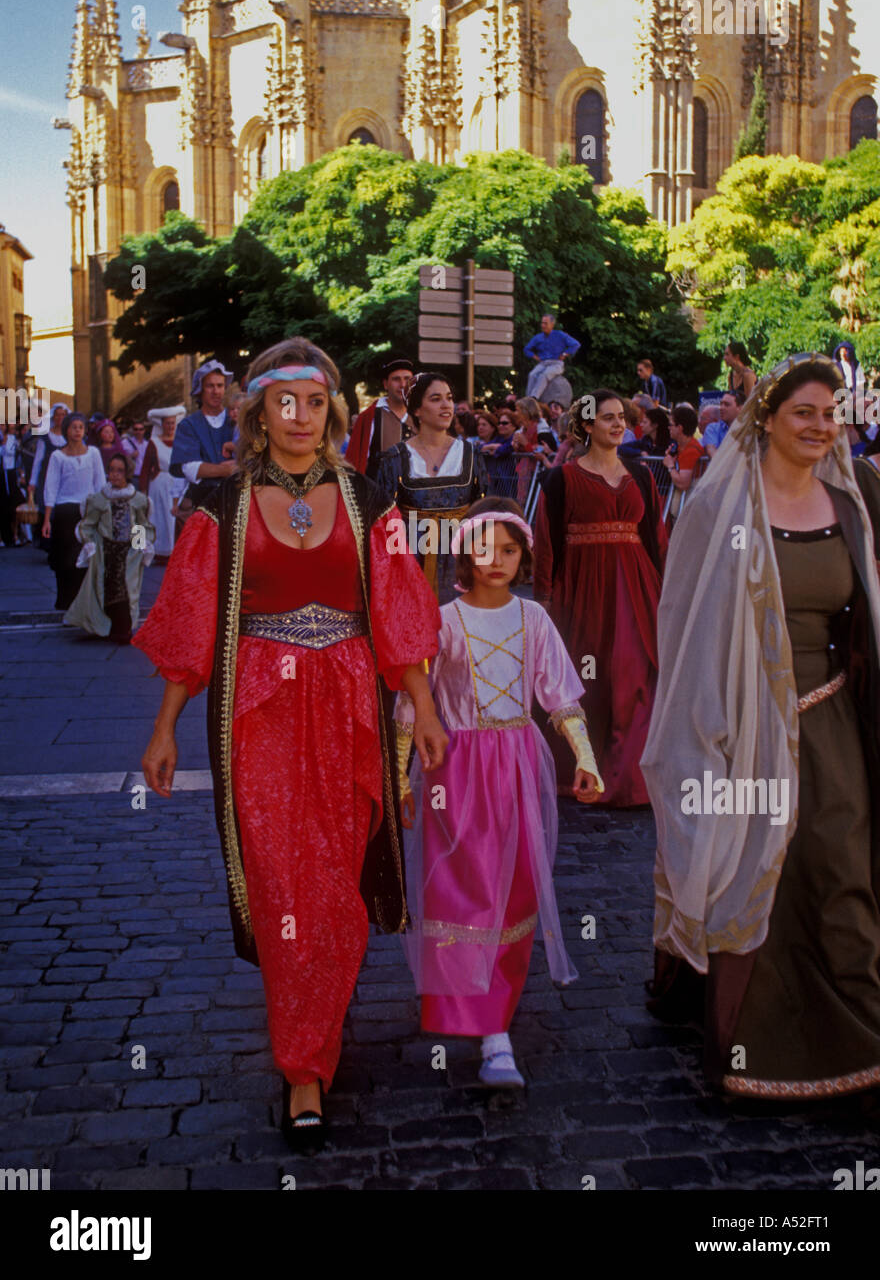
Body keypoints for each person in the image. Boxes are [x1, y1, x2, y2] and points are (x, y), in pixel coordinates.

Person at [135, 337, 446, 1153]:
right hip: (259, 713)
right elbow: (196, 619)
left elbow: (402, 608)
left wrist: (425, 709)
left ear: (333, 412)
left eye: (315, 403)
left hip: (349, 706)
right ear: (257, 412)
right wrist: (165, 724)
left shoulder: (371, 498)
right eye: (284, 402)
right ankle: (303, 1067)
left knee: (337, 876)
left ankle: (320, 1008)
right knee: (282, 876)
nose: (301, 418)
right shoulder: (223, 508)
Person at [643, 352, 880, 1102]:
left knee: (842, 870)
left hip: (834, 718)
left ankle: (861, 1039)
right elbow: (690, 625)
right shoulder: (724, 511)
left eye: (830, 412)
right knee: (748, 874)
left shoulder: (856, 499)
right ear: (767, 417)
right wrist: (706, 732)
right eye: (803, 412)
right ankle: (750, 1034)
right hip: (744, 723)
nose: (820, 426)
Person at [395, 498, 603, 1088]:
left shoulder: (534, 619)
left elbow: (561, 695)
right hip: (454, 769)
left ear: (523, 555)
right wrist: (396, 777)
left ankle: (495, 1024)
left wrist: (584, 756)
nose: (498, 560)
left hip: (516, 765)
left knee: (509, 890)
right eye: (485, 549)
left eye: (509, 550)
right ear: (466, 553)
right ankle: (469, 1009)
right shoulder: (442, 619)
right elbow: (412, 703)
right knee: (463, 886)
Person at [534, 390, 668, 807]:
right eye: (607, 418)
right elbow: (546, 543)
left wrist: (670, 593)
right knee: (589, 677)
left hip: (636, 588)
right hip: (583, 592)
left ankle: (630, 776)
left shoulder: (641, 476)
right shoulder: (561, 478)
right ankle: (583, 768)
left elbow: (655, 541)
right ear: (587, 426)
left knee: (636, 675)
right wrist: (545, 604)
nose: (618, 424)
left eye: (622, 418)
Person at [376, 372, 487, 603]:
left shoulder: (471, 454)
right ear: (417, 409)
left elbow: (485, 513)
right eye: (436, 399)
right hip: (411, 563)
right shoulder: (395, 459)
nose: (446, 405)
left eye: (449, 398)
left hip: (461, 563)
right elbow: (383, 523)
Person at [65, 452, 155, 644]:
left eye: (120, 471)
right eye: (112, 470)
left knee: (127, 588)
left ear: (127, 473)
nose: (115, 475)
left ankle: (124, 629)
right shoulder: (99, 499)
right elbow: (88, 524)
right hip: (106, 551)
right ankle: (109, 627)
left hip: (128, 553)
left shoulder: (137, 499)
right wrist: (89, 543)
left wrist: (142, 546)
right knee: (106, 588)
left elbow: (141, 523)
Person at [42, 412, 105, 609]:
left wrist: (102, 511)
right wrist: (47, 519)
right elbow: (51, 487)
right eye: (73, 427)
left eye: (80, 427)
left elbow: (99, 483)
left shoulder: (93, 453)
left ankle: (85, 603)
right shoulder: (58, 456)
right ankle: (66, 602)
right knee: (65, 560)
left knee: (87, 557)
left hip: (87, 510)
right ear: (66, 431)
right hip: (64, 511)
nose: (77, 431)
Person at [170, 359, 237, 536]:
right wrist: (228, 469)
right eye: (210, 386)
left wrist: (210, 468)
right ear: (200, 390)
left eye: (220, 385)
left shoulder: (237, 421)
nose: (216, 391)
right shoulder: (189, 425)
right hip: (202, 502)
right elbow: (190, 468)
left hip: (238, 500)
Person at [345, 358, 414, 478]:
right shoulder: (369, 417)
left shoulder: (422, 415)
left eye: (407, 379)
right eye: (396, 379)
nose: (403, 385)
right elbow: (355, 463)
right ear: (386, 384)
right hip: (378, 493)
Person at [138, 406, 185, 562]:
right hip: (159, 484)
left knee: (175, 518)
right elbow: (145, 467)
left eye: (172, 423)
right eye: (167, 423)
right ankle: (158, 551)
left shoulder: (181, 440)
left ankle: (175, 551)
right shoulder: (154, 442)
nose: (170, 427)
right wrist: (143, 490)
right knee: (159, 517)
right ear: (162, 425)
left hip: (177, 482)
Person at [27, 402, 70, 552]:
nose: (60, 418)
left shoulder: (71, 436)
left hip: (66, 480)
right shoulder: (45, 436)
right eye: (58, 414)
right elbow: (38, 460)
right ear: (53, 416)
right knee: (48, 510)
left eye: (63, 415)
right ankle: (49, 543)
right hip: (47, 479)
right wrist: (32, 482)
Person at [662, 403, 707, 526]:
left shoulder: (691, 450)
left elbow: (683, 483)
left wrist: (670, 466)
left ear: (680, 428)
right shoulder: (682, 447)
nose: (668, 428)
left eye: (671, 425)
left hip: (688, 514)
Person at [524, 314, 580, 401]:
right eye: (542, 323)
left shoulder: (560, 335)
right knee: (532, 374)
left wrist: (565, 354)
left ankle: (534, 397)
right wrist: (534, 356)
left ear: (552, 324)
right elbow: (527, 349)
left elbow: (575, 344)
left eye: (545, 323)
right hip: (543, 363)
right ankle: (527, 399)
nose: (543, 325)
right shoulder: (538, 337)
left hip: (556, 363)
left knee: (545, 374)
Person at [480, 408, 519, 495]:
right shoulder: (498, 439)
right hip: (497, 482)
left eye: (505, 423)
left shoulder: (515, 438)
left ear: (514, 426)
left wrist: (496, 450)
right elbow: (479, 448)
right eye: (499, 423)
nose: (501, 425)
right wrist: (492, 446)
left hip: (512, 482)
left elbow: (505, 449)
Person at [0, 424, 25, 548]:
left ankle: (14, 535)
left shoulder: (11, 439)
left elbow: (10, 453)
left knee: (13, 503)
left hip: (10, 472)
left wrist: (4, 443)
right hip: (2, 472)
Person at [703, 390, 743, 459]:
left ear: (740, 408)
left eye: (727, 405)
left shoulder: (747, 429)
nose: (721, 408)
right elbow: (712, 453)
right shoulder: (713, 429)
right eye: (721, 404)